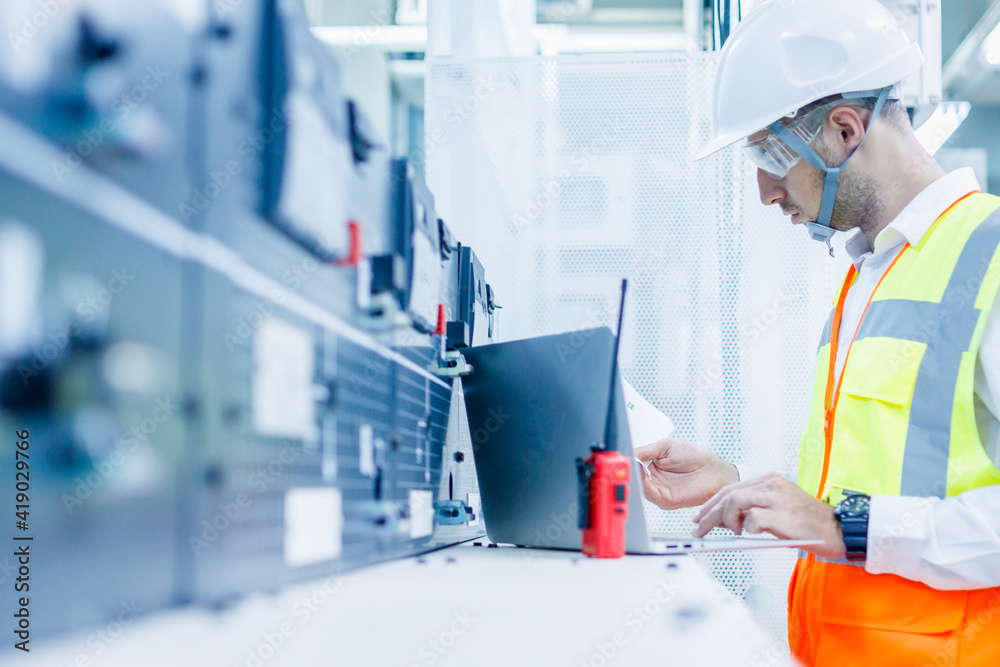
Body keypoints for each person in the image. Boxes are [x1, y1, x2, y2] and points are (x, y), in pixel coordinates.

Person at [636, 0, 1000, 664]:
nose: (766, 190)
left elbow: (852, 524)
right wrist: (738, 484)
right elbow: (877, 481)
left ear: (843, 128)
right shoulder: (870, 270)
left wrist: (844, 527)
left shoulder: (990, 255)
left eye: (770, 154)